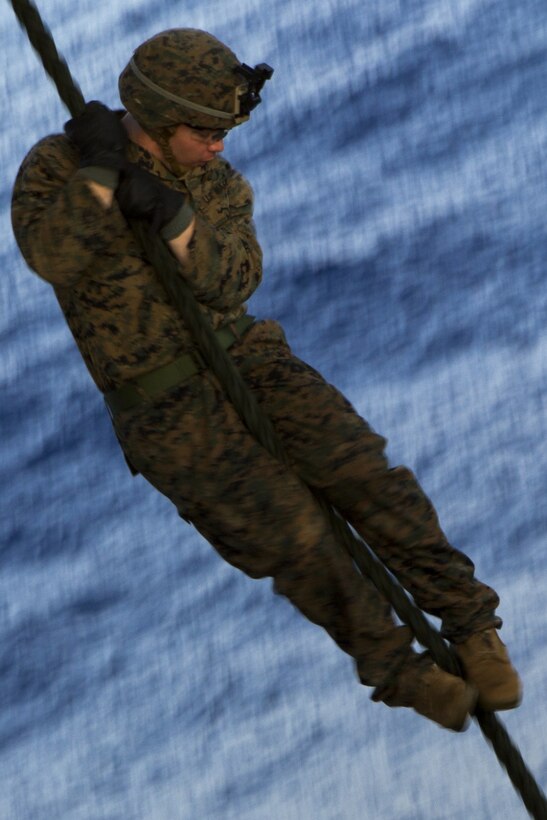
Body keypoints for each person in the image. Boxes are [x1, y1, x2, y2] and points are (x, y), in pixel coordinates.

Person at [11, 28, 521, 731]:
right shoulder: (56, 166)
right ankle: (401, 674)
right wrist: (98, 177)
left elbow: (236, 280)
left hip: (247, 357)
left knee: (365, 474)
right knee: (294, 541)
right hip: (165, 409)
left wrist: (175, 217)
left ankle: (472, 625)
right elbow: (53, 257)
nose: (221, 143)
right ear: (162, 120)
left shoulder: (215, 183)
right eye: (208, 129)